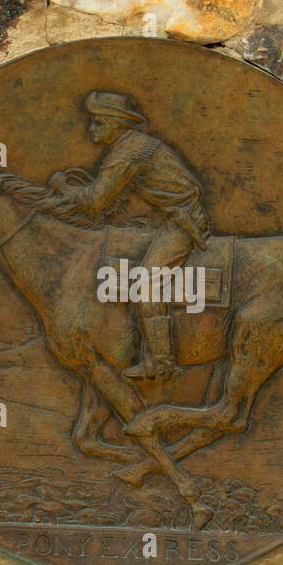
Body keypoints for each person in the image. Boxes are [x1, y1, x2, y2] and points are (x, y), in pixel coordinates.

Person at [53, 91, 210, 380]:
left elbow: (97, 200)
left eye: (99, 122)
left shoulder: (129, 153)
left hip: (181, 223)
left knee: (148, 282)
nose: (92, 129)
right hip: (164, 218)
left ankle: (161, 363)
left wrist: (63, 188)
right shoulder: (131, 146)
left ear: (117, 123)